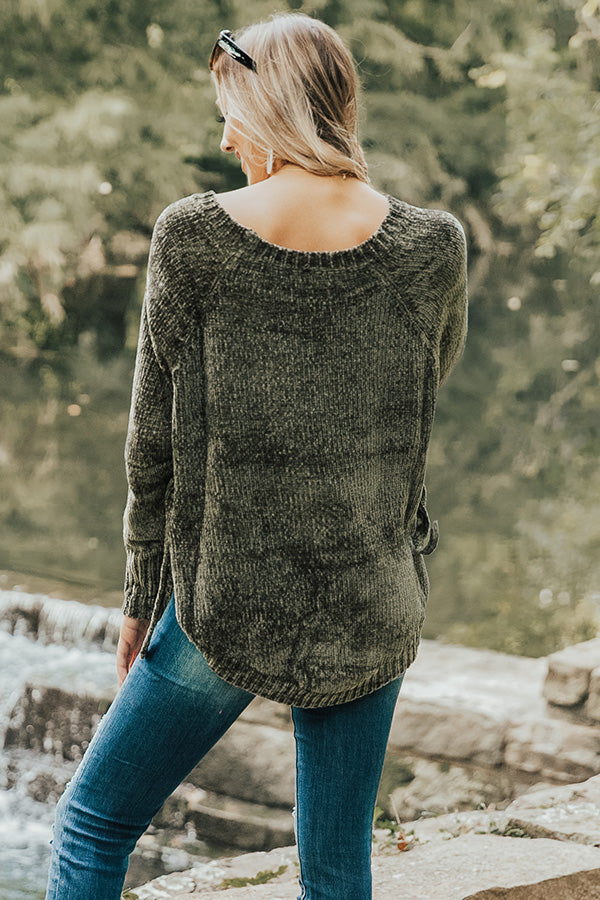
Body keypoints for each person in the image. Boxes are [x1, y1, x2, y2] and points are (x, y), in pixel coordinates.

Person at [45, 11, 467, 900]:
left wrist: (141, 597)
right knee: (336, 869)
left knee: (92, 824)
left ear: (268, 109)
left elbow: (151, 445)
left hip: (227, 600)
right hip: (370, 598)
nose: (225, 137)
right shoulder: (433, 248)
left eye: (229, 113)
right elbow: (425, 385)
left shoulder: (194, 236)